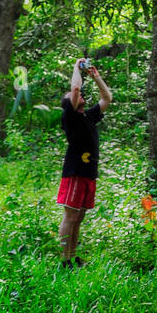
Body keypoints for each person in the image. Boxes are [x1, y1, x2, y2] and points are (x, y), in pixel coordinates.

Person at [56, 58, 112, 267]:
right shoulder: (69, 115)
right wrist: (75, 68)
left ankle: (73, 256)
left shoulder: (88, 116)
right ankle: (64, 260)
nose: (77, 95)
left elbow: (107, 98)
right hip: (75, 172)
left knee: (79, 218)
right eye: (71, 96)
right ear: (69, 101)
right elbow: (76, 88)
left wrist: (96, 77)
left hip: (89, 173)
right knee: (70, 217)